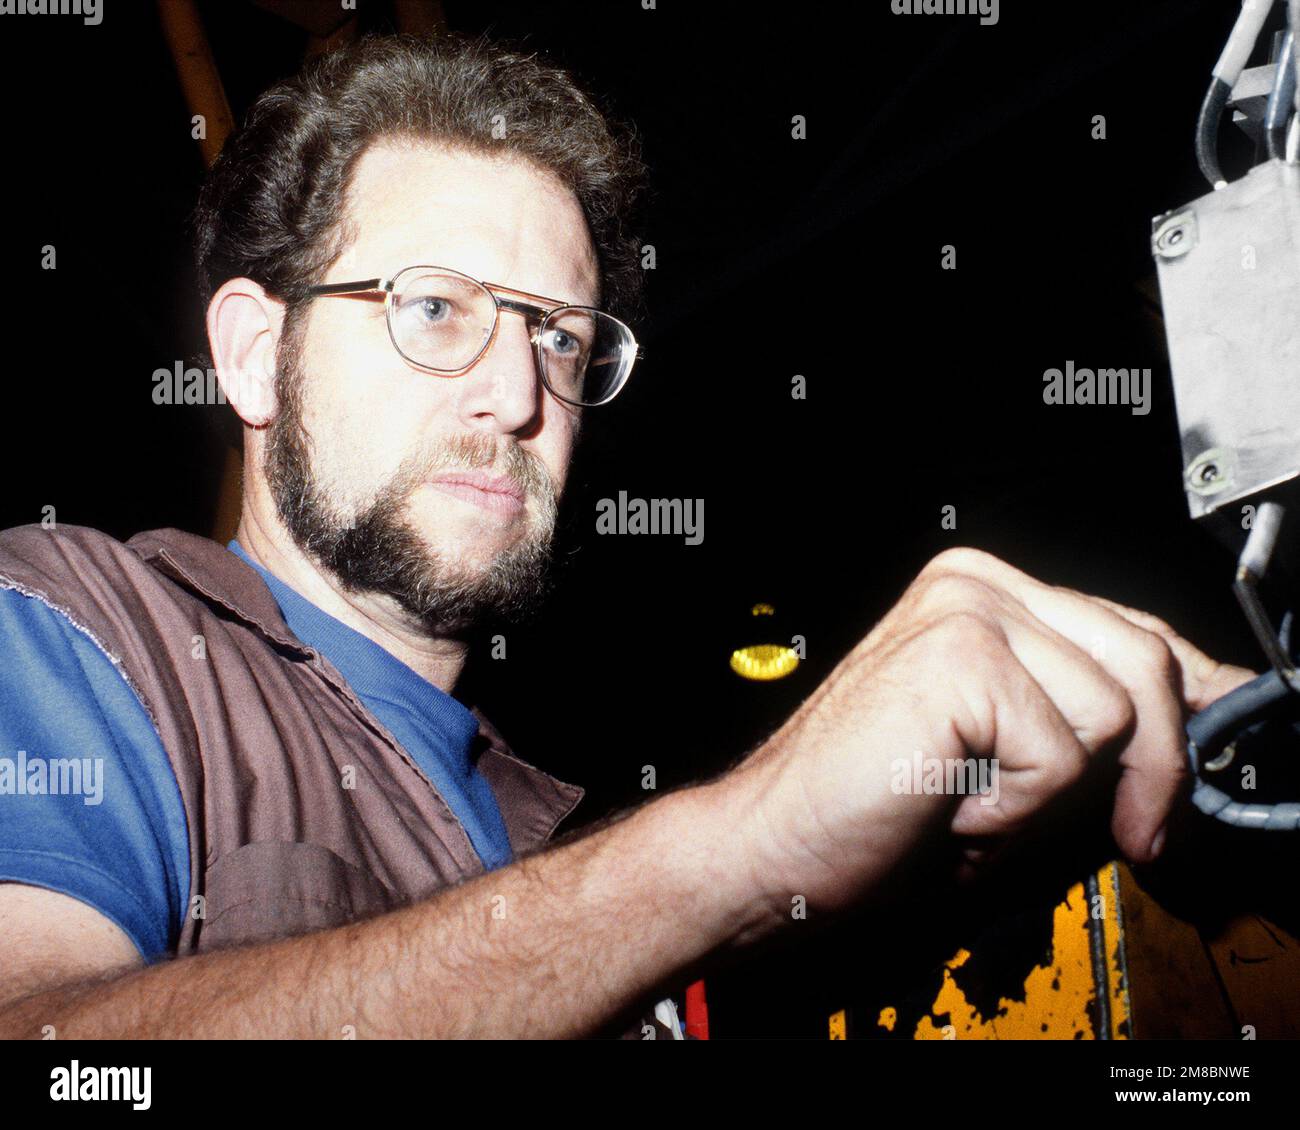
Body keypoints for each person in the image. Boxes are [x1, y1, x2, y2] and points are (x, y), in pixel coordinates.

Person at [0, 32, 1255, 1039]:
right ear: (254, 353)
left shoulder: (537, 816)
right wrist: (731, 845)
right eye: (435, 308)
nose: (516, 393)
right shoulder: (74, 627)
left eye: (557, 335)